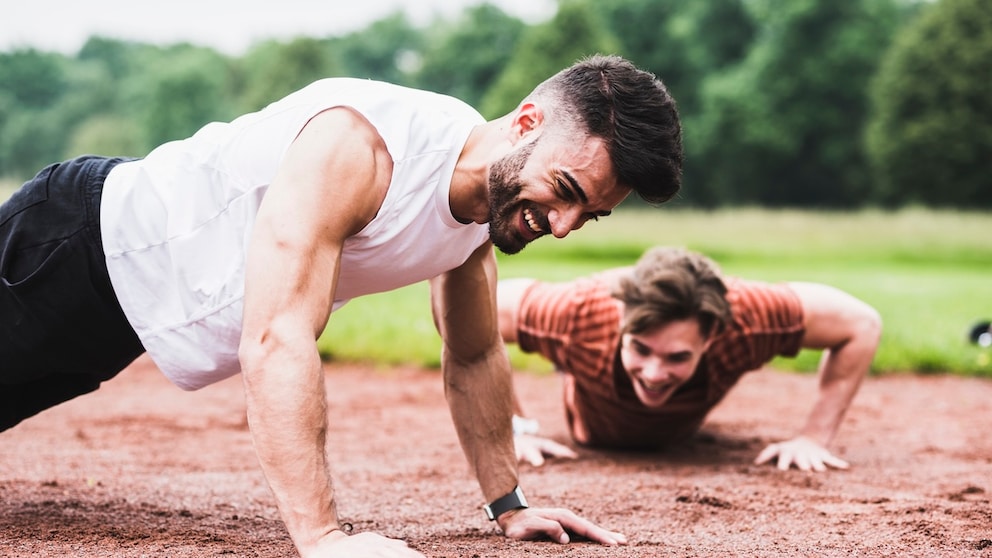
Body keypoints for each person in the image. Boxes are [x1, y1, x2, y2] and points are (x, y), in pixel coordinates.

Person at [0, 55, 683, 557]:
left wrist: (509, 505)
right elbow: (277, 336)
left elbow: (473, 352)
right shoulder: (359, 150)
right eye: (565, 189)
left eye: (587, 215)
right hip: (73, 246)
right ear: (527, 122)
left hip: (122, 318)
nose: (562, 225)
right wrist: (323, 539)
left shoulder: (484, 215)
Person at [498, 246, 882, 472]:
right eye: (641, 348)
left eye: (676, 356)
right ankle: (570, 367)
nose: (653, 372)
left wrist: (814, 437)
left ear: (712, 336)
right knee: (587, 368)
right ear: (621, 322)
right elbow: (474, 315)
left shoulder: (749, 318)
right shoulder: (577, 313)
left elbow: (861, 324)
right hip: (592, 408)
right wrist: (513, 428)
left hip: (687, 419)